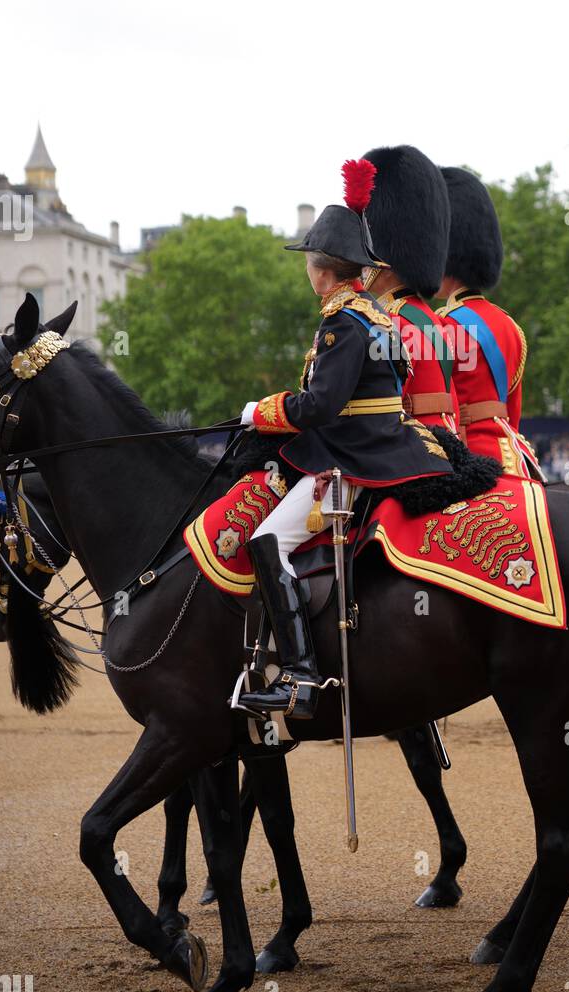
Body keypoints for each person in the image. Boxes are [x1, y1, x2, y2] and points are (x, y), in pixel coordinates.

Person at [185, 161, 451, 720]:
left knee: (265, 542)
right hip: (388, 442)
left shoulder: (341, 322)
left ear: (320, 269)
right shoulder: (379, 315)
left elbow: (320, 407)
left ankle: (302, 678)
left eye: (309, 263)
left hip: (352, 456)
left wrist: (258, 411)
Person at [435, 166, 541, 478]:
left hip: (467, 460)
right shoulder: (511, 327)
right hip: (516, 458)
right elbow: (513, 411)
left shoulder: (441, 326)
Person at [355, 146, 461, 434]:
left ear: (382, 256)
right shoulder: (434, 320)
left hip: (408, 456)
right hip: (444, 450)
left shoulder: (388, 324)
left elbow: (366, 413)